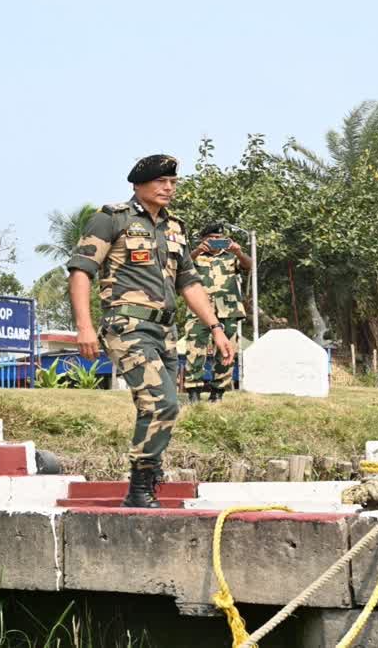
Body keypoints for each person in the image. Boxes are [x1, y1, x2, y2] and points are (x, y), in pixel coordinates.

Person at [67, 154, 235, 508]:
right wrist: (84, 327)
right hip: (127, 326)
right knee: (163, 403)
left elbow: (189, 282)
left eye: (173, 182)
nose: (169, 188)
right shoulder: (111, 219)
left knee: (156, 408)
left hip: (165, 331)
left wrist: (216, 328)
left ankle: (143, 483)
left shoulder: (175, 227)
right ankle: (142, 485)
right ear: (138, 184)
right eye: (161, 182)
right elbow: (81, 270)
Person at [183, 223, 251, 403]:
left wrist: (238, 252)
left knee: (227, 351)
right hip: (199, 310)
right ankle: (194, 391)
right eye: (211, 239)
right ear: (204, 239)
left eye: (219, 239)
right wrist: (197, 251)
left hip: (228, 310)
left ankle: (218, 391)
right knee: (195, 349)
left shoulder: (231, 256)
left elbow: (249, 266)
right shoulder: (195, 256)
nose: (215, 242)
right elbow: (181, 268)